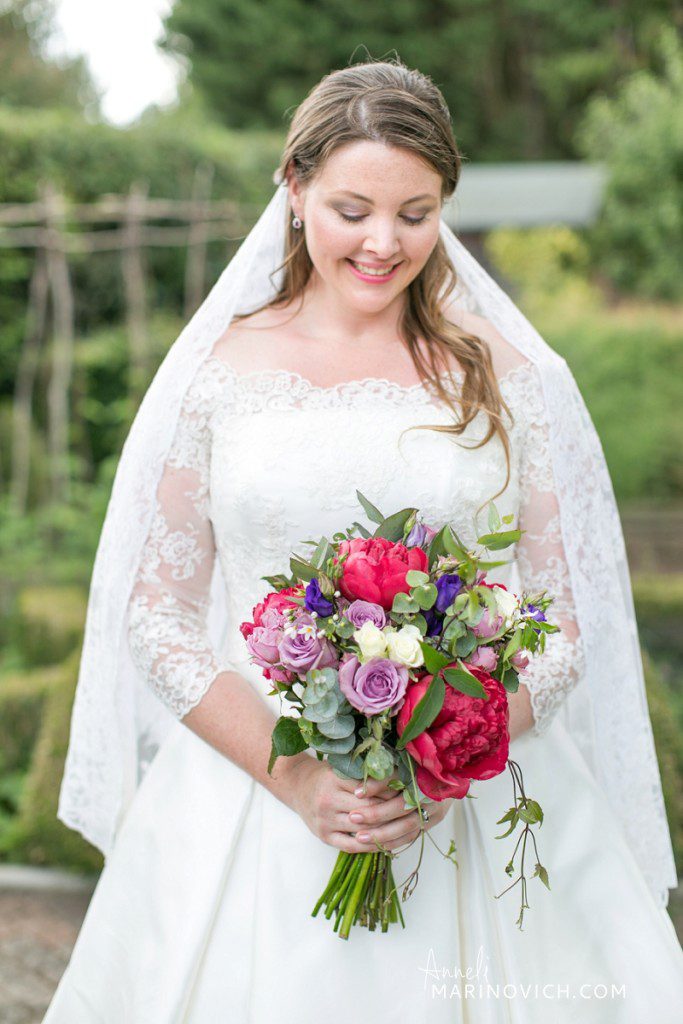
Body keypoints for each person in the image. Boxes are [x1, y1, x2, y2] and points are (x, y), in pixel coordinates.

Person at [43, 60, 683, 1022]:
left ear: (444, 207)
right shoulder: (218, 372)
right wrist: (298, 777)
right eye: (352, 208)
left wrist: (448, 758)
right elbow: (157, 613)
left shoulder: (509, 375)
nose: (385, 243)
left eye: (415, 213)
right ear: (293, 191)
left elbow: (562, 613)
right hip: (253, 798)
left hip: (470, 799)